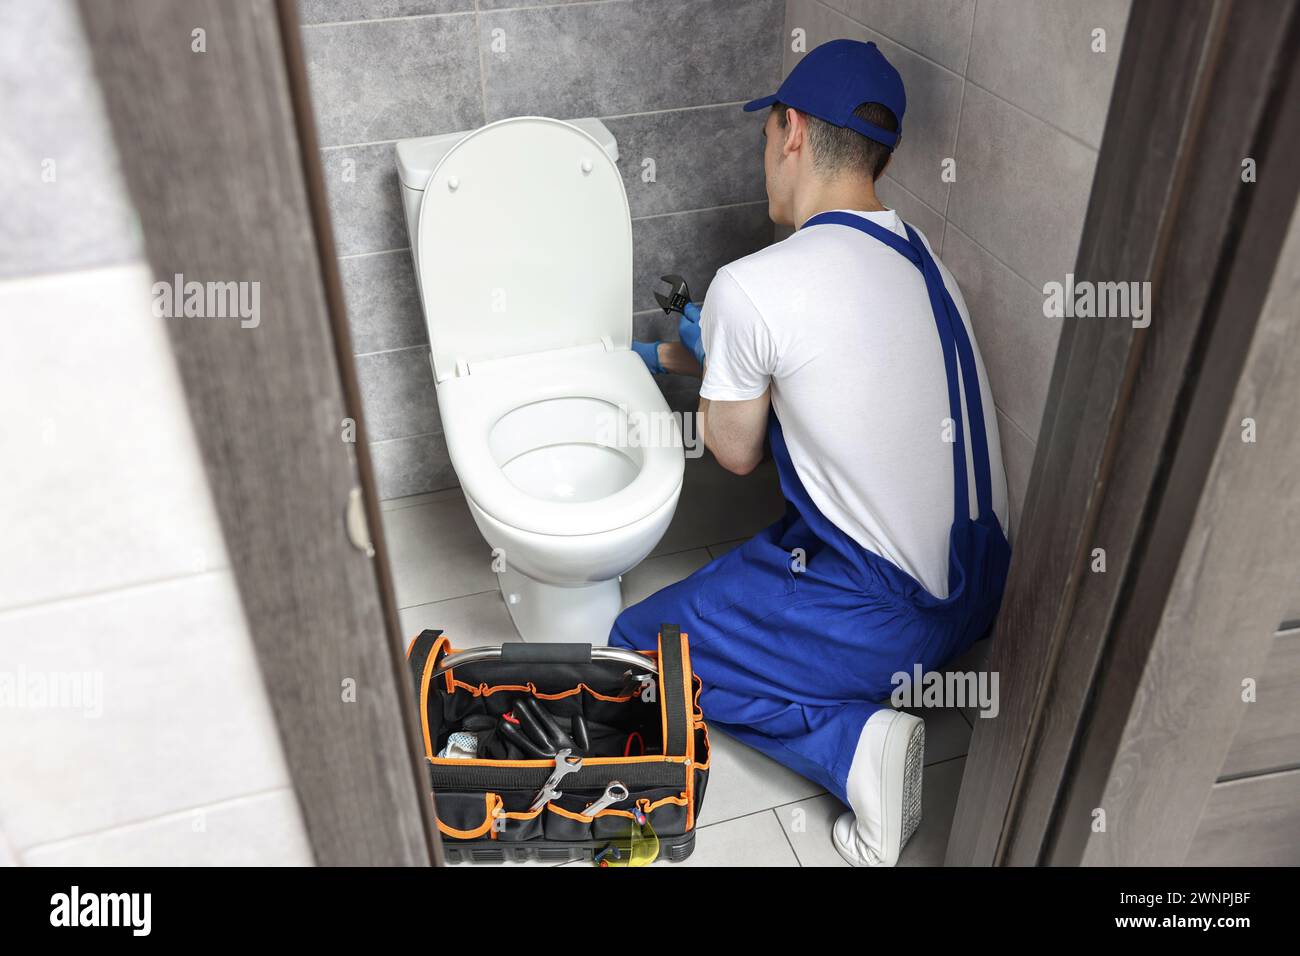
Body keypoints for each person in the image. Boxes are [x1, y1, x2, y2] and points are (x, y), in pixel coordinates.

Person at [617, 39, 1011, 866]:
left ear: (791, 129)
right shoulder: (923, 258)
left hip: (885, 613)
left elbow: (733, 452)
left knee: (640, 642)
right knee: (786, 548)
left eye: (768, 131)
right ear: (884, 155)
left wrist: (718, 357)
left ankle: (857, 747)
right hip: (980, 595)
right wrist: (708, 355)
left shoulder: (755, 284)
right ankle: (843, 677)